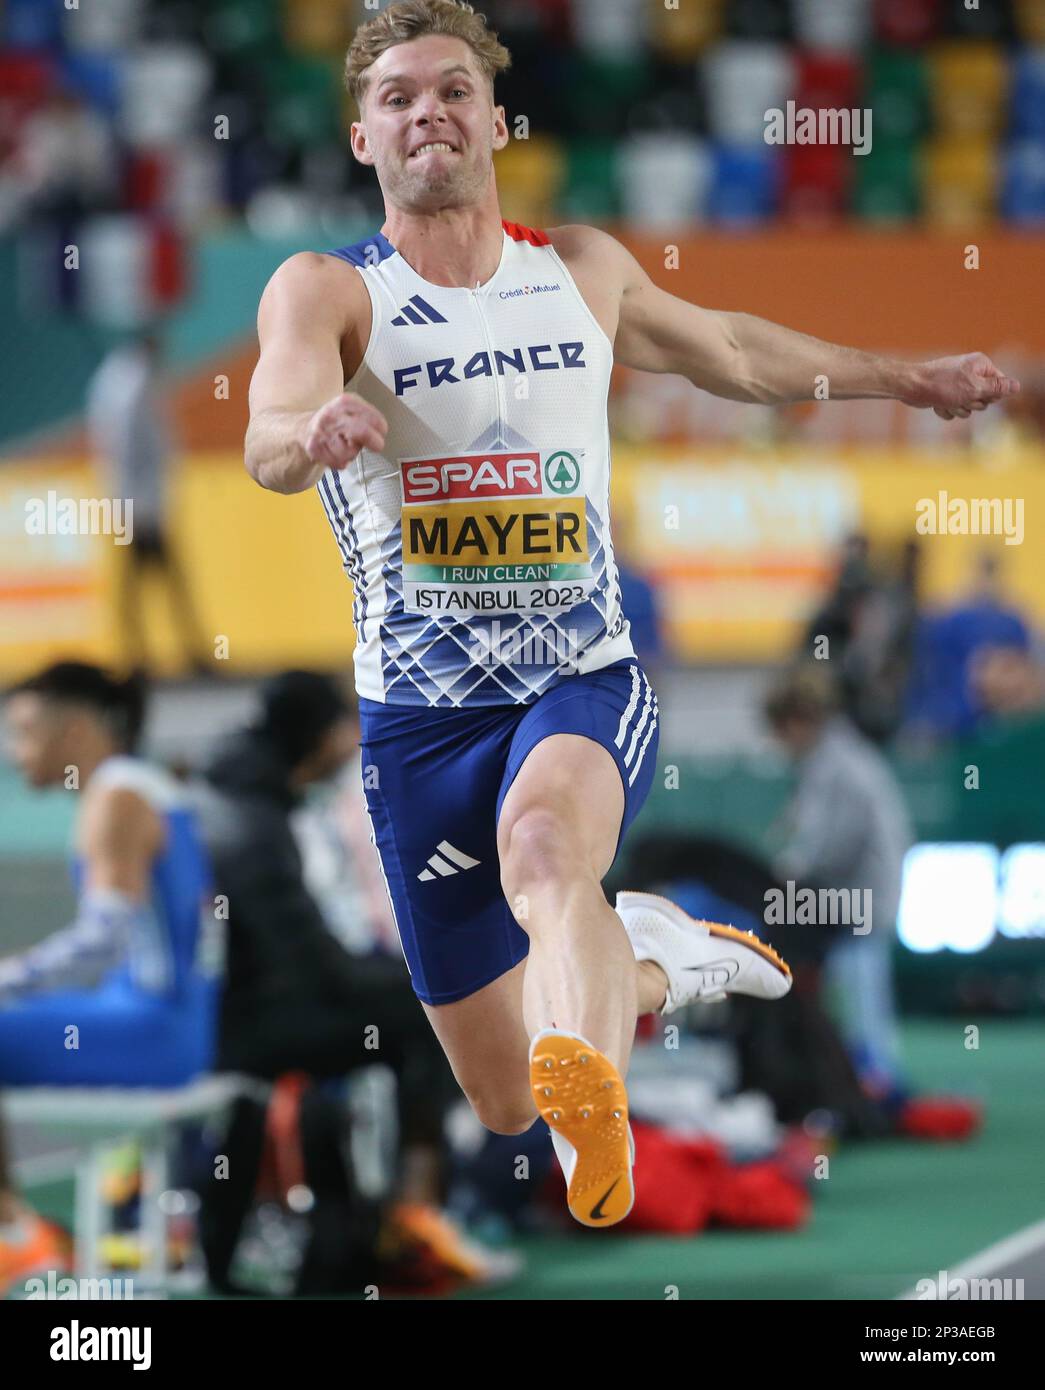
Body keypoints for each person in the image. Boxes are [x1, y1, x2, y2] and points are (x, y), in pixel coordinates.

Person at [242, 0, 1014, 1227]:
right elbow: (268, 434)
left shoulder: (582, 270)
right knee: (500, 1094)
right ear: (360, 138)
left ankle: (597, 1106)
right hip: (419, 722)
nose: (425, 112)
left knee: (545, 852)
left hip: (582, 678)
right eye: (395, 97)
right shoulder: (329, 290)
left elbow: (737, 355)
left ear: (496, 118)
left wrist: (897, 374)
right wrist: (309, 430)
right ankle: (670, 953)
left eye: (450, 89)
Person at [193, 670, 505, 1287]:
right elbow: (312, 969)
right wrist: (417, 980)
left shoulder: (244, 799)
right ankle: (411, 1220)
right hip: (252, 1027)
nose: (351, 742)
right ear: (318, 733)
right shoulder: (253, 816)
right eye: (343, 728)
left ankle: (390, 1221)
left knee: (420, 1006)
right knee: (430, 1018)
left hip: (245, 1013)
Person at [0, 662, 219, 1292]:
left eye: (22, 734)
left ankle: (16, 1233)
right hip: (168, 1020)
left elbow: (99, 945)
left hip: (154, 1028)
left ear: (73, 733)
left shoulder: (115, 799)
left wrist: (9, 978)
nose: (13, 754)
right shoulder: (142, 786)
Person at [86, 333, 211, 675]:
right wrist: (139, 505)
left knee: (139, 580)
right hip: (138, 503)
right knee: (162, 579)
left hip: (130, 499)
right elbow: (130, 449)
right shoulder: (134, 384)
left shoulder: (115, 379)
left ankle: (139, 654)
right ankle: (178, 653)